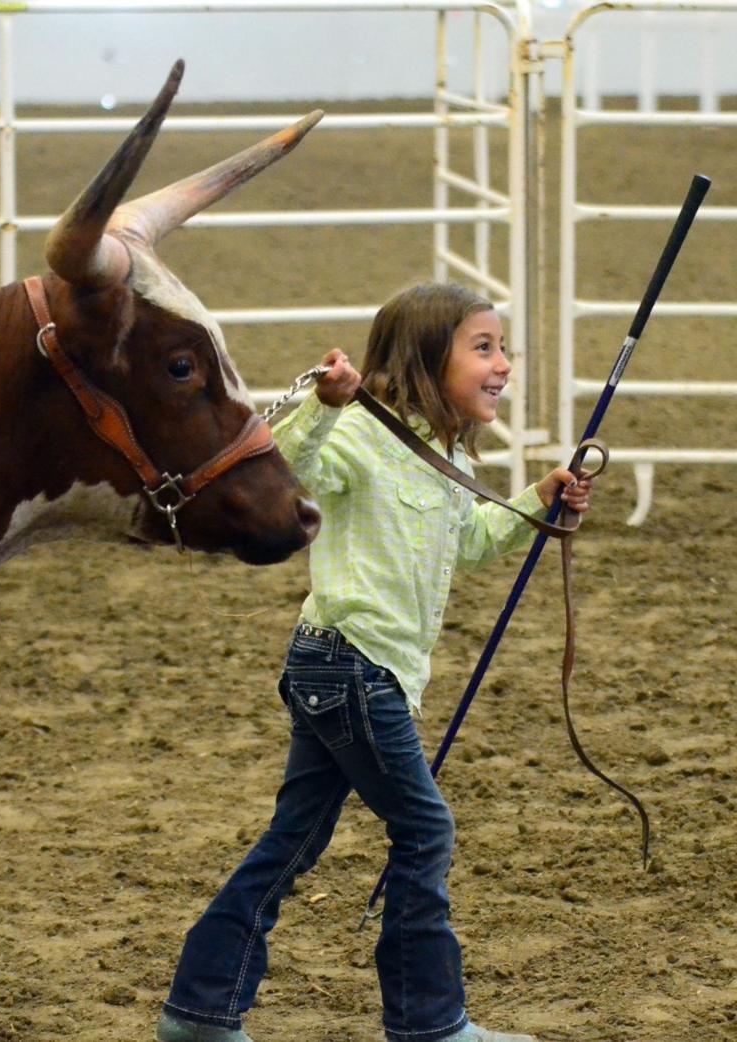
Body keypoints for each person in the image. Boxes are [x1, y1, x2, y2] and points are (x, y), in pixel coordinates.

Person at [155, 282, 594, 1042]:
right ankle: (428, 1024)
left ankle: (198, 1011)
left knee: (292, 839)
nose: (503, 365)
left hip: (352, 672)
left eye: (503, 349)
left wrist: (537, 502)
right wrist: (325, 407)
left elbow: (469, 542)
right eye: (483, 348)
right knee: (426, 828)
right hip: (350, 664)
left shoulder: (444, 452)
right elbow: (285, 470)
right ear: (428, 355)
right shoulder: (359, 434)